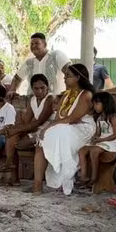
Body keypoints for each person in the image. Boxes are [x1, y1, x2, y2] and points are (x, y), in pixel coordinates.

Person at [33, 65, 94, 195]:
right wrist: (50, 128)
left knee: (54, 133)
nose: (64, 78)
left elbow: (72, 118)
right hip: (66, 126)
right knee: (42, 140)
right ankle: (37, 185)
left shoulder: (86, 95)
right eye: (65, 75)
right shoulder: (66, 95)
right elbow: (59, 117)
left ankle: (64, 180)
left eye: (68, 76)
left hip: (82, 129)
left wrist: (49, 127)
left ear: (78, 78)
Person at [2, 74, 55, 185]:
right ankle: (13, 174)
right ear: (32, 89)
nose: (39, 91)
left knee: (15, 137)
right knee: (12, 137)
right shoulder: (33, 100)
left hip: (48, 132)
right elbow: (27, 120)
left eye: (42, 88)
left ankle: (9, 165)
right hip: (34, 130)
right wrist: (16, 128)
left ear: (48, 87)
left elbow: (39, 122)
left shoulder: (50, 99)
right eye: (36, 88)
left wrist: (17, 129)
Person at [77, 92, 116, 189]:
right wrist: (95, 138)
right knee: (82, 150)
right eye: (94, 104)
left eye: (97, 104)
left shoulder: (113, 117)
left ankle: (94, 177)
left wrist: (102, 139)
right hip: (101, 142)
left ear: (105, 103)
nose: (95, 106)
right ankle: (84, 176)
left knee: (94, 151)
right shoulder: (99, 118)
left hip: (111, 143)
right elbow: (98, 132)